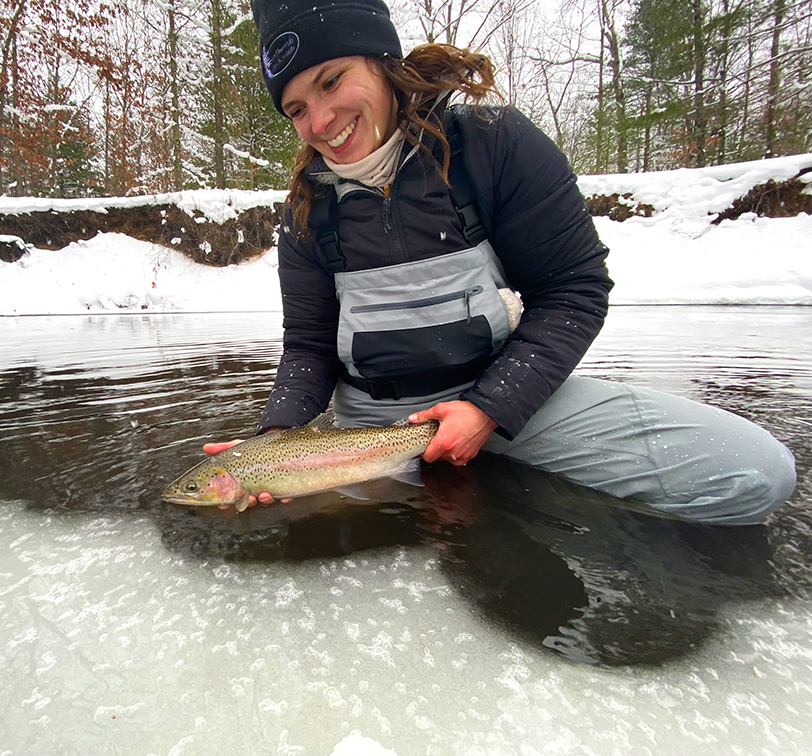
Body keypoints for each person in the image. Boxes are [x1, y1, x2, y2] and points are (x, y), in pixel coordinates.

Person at [205, 0, 796, 524]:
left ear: (382, 62)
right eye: (297, 109)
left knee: (754, 473)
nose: (321, 122)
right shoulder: (307, 210)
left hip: (507, 394)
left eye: (332, 82)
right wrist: (275, 444)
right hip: (371, 432)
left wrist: (489, 409)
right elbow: (308, 348)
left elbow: (574, 289)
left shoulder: (493, 145)